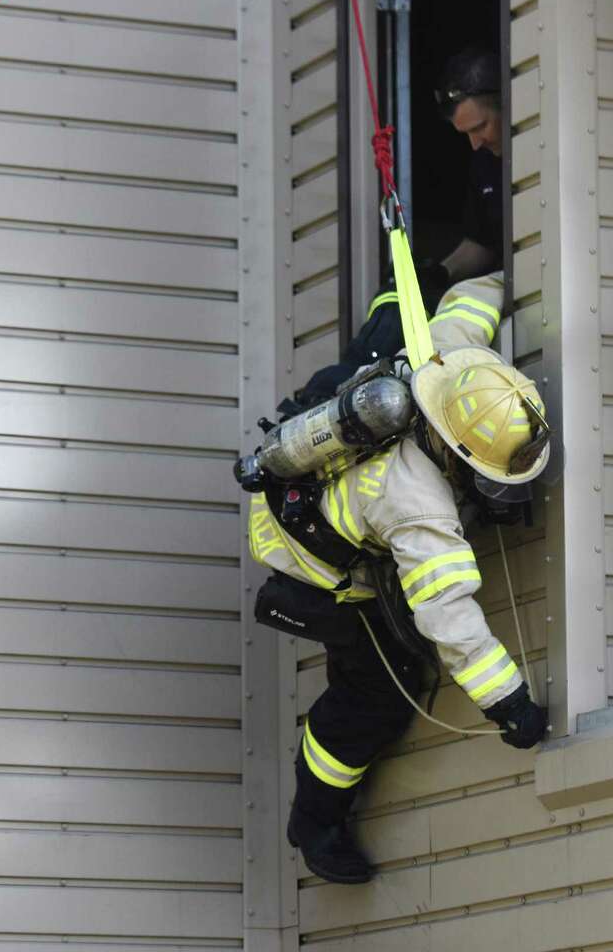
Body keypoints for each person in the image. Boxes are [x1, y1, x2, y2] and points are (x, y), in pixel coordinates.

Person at [244, 288, 549, 886]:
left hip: (319, 407)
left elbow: (468, 306)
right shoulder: (417, 506)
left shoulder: (451, 361)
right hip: (303, 555)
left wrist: (485, 280)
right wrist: (509, 703)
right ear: (458, 452)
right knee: (378, 695)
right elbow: (446, 614)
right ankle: (314, 825)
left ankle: (402, 275)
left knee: (393, 323)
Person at [290, 44, 506, 411]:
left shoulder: (535, 146)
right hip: (488, 280)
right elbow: (480, 243)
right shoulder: (483, 164)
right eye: (465, 134)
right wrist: (437, 271)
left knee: (460, 304)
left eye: (480, 127)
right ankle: (345, 382)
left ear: (507, 100)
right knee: (399, 295)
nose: (475, 143)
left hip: (513, 283)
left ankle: (412, 375)